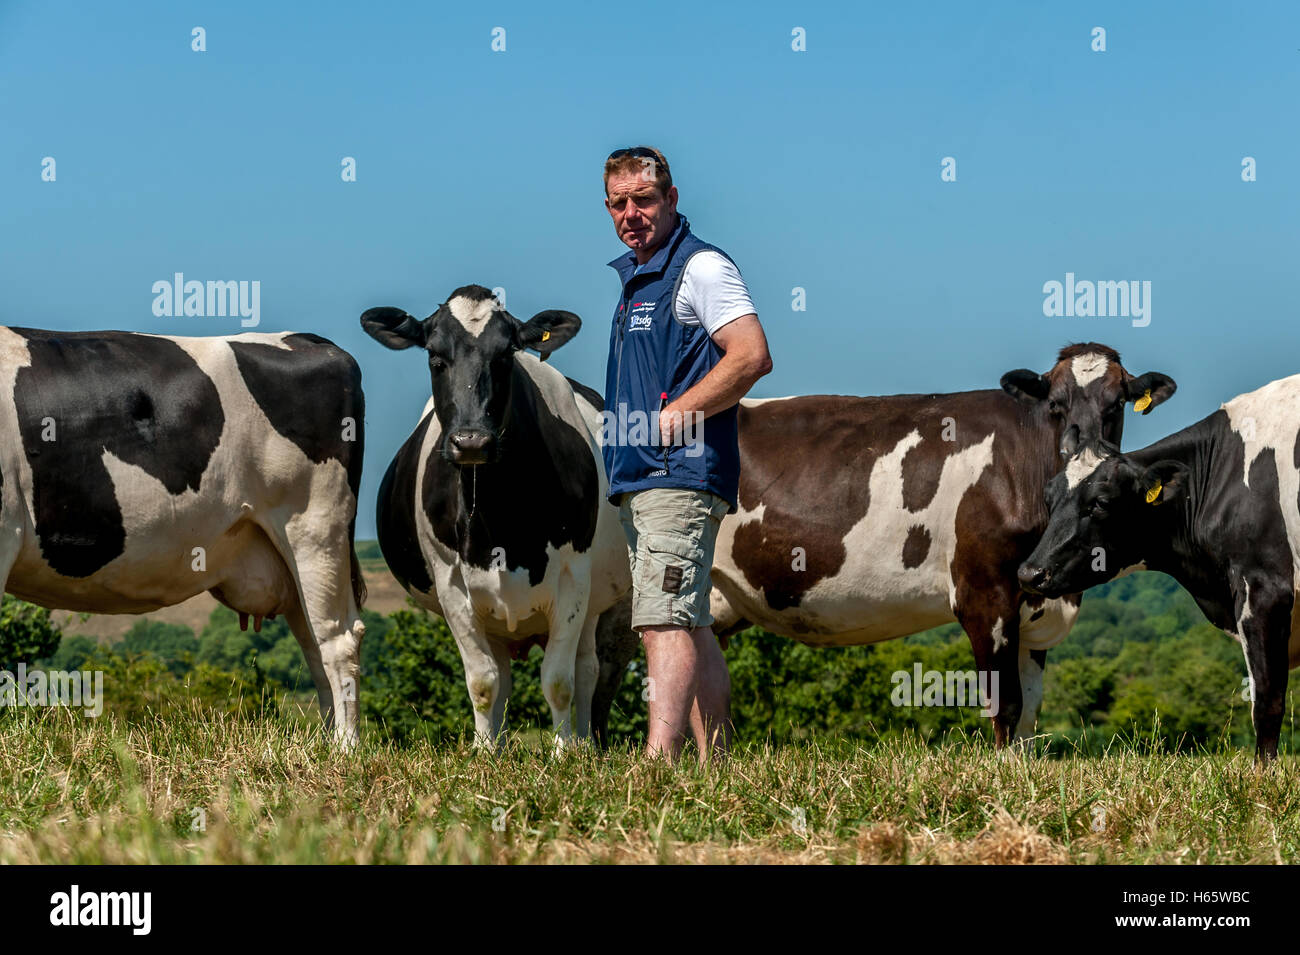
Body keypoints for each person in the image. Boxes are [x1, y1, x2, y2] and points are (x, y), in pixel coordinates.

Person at [601, 145, 773, 761]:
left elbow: (751, 354)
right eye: (619, 203)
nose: (632, 214)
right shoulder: (638, 279)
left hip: (678, 473)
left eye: (644, 200)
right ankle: (716, 764)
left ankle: (658, 762)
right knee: (689, 621)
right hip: (641, 478)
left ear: (672, 200)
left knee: (661, 621)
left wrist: (678, 413)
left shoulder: (700, 268)